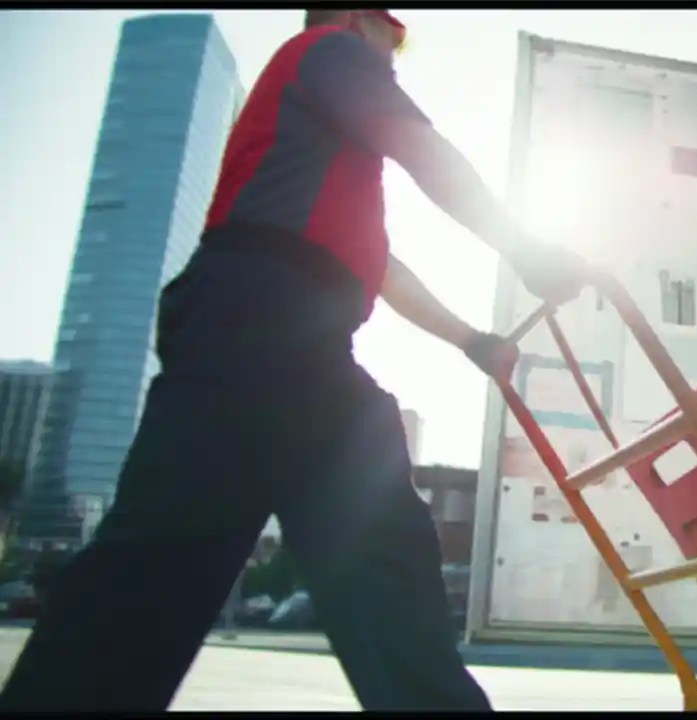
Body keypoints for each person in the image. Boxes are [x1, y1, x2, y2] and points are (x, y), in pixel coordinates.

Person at [0, 8, 587, 711]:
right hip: (261, 318)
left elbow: (385, 271)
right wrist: (527, 248)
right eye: (391, 32)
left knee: (362, 561)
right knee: (169, 569)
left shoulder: (322, 157)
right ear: (350, 15)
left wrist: (470, 341)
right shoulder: (329, 51)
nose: (395, 52)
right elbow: (419, 145)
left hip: (285, 335)